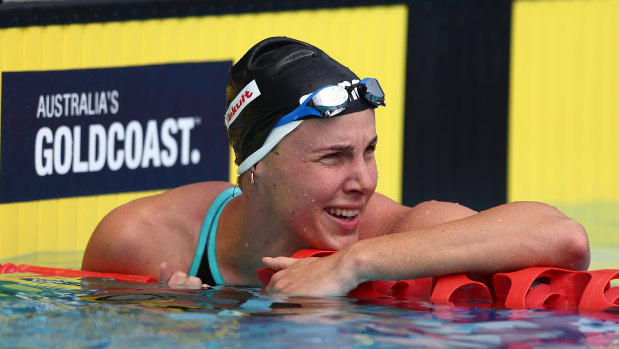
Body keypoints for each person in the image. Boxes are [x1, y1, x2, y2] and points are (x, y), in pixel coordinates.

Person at [82, 37, 590, 296]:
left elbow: (564, 238)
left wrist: (352, 265)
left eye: (368, 151)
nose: (364, 181)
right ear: (257, 167)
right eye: (333, 157)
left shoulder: (395, 232)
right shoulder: (145, 244)